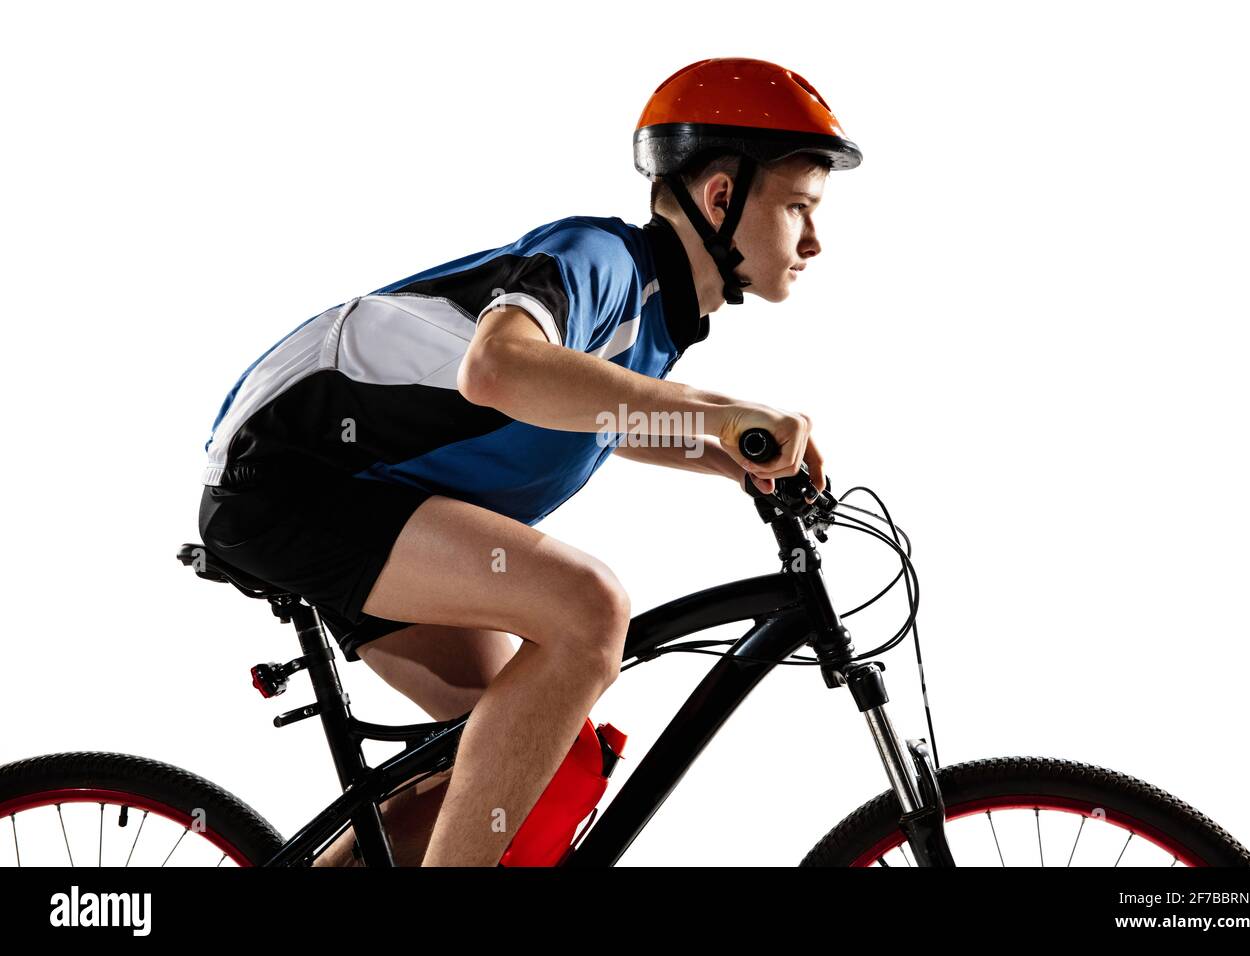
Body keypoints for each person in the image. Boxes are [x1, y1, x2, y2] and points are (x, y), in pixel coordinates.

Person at [194, 56, 861, 867]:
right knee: (589, 611)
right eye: (799, 207)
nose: (815, 241)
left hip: (371, 506)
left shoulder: (652, 325)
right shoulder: (604, 260)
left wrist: (731, 452)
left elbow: (608, 413)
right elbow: (501, 371)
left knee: (546, 759)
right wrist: (722, 415)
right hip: (291, 477)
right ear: (721, 197)